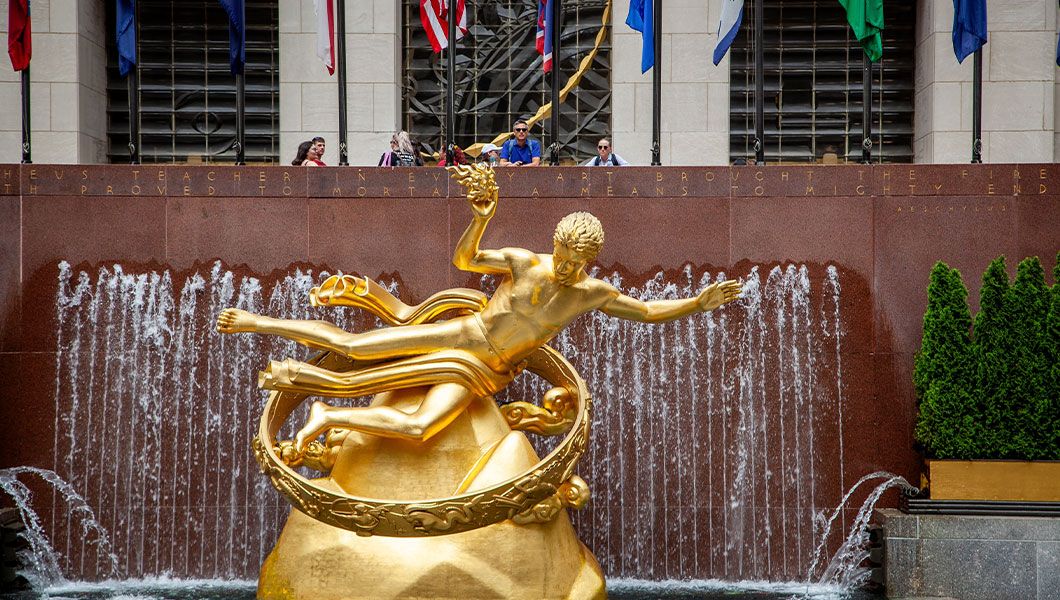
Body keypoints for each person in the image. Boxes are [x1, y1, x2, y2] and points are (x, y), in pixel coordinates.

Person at [216, 165, 743, 452]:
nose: (565, 267)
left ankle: (328, 414)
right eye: (562, 256)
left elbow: (646, 312)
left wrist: (697, 303)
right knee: (354, 347)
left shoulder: (592, 293)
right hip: (461, 336)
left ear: (590, 260)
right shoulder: (523, 262)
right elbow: (465, 259)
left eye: (576, 262)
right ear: (554, 246)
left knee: (422, 427)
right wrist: (482, 218)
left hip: (487, 373)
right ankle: (258, 322)